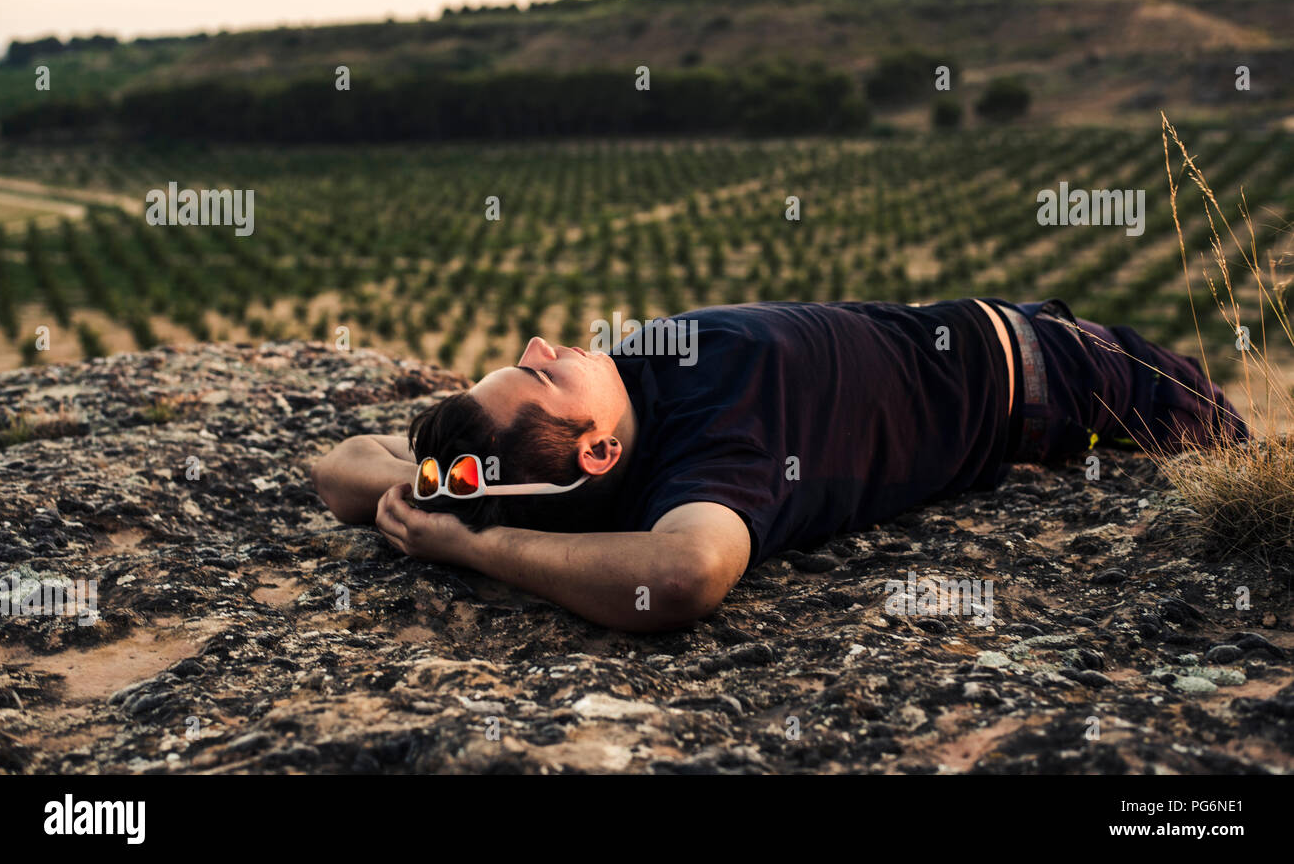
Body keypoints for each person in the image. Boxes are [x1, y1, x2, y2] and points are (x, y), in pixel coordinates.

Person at [311, 297, 1247, 632]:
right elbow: (682, 576)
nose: (545, 342)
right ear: (596, 451)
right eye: (539, 374)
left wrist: (436, 504)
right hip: (1060, 381)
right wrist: (474, 546)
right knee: (1235, 455)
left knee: (1234, 454)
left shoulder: (599, 434)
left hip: (1019, 345)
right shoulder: (723, 434)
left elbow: (338, 469)